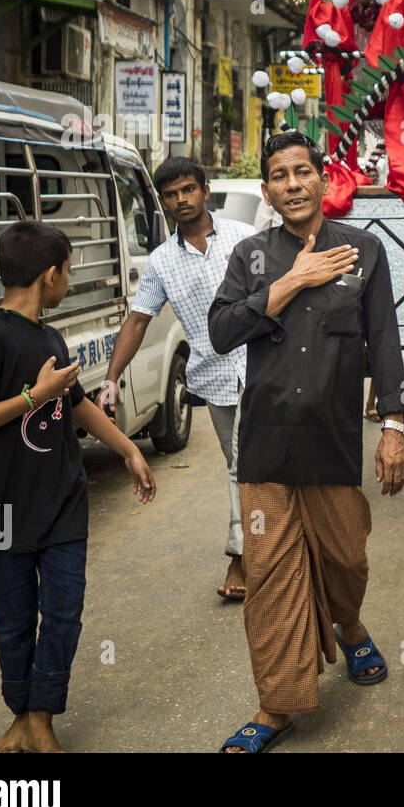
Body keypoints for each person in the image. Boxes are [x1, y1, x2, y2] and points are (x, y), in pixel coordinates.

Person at [208, 131, 404, 753]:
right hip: (266, 446)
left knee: (347, 558)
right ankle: (276, 706)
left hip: (333, 444)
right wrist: (291, 281)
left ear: (324, 180)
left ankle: (349, 625)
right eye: (279, 175)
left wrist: (395, 428)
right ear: (267, 189)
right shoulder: (250, 256)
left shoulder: (364, 251)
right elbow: (220, 332)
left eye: (303, 172)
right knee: (270, 577)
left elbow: (384, 340)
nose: (292, 184)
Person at [0, 221, 157, 753]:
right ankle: (23, 717)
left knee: (62, 614)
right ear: (50, 274)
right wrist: (33, 397)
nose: (69, 279)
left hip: (61, 502)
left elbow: (76, 402)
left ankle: (41, 718)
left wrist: (128, 449)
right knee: (12, 622)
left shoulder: (50, 335)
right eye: (68, 270)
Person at [99, 157, 256, 600]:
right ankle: (262, 549)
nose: (181, 200)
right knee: (241, 466)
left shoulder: (246, 239)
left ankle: (242, 554)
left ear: (205, 191)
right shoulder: (162, 262)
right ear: (164, 203)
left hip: (266, 369)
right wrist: (111, 378)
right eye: (171, 194)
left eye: (188, 189)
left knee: (251, 464)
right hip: (217, 378)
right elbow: (137, 320)